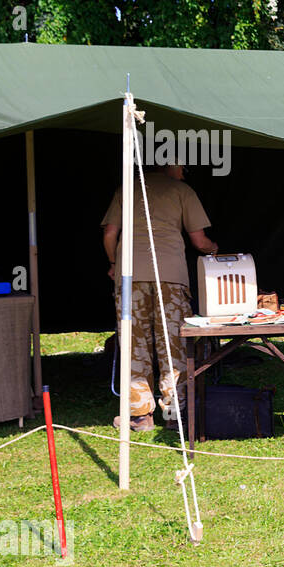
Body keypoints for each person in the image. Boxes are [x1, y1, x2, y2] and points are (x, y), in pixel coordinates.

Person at [101, 163, 217, 431]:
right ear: (169, 164)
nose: (185, 171)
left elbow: (109, 233)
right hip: (171, 277)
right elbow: (199, 242)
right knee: (172, 344)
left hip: (130, 276)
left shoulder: (126, 189)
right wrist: (214, 248)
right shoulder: (182, 190)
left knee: (135, 345)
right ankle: (175, 414)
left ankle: (140, 416)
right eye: (182, 166)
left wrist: (113, 263)